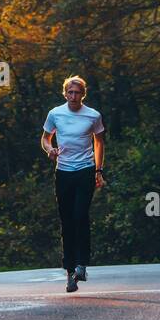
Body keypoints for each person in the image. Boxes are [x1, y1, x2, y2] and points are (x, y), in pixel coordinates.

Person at [41, 75, 106, 293]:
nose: (73, 96)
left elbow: (99, 143)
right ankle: (69, 271)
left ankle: (81, 265)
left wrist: (98, 170)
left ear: (83, 94)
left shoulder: (93, 116)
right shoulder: (55, 114)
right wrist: (50, 150)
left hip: (85, 170)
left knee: (80, 216)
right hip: (63, 171)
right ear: (65, 93)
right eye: (70, 92)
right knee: (66, 220)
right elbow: (45, 138)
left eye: (77, 92)